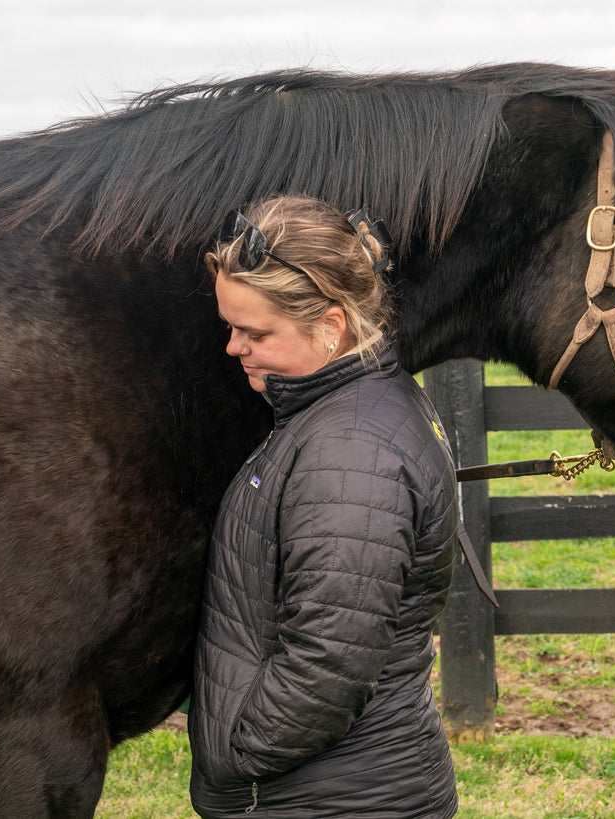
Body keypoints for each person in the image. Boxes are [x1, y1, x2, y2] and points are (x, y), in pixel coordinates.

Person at [188, 194, 460, 818]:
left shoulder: (351, 450)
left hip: (332, 800)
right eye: (232, 326)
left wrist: (237, 752)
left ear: (331, 326)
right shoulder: (338, 414)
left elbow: (326, 667)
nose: (234, 347)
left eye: (256, 332)